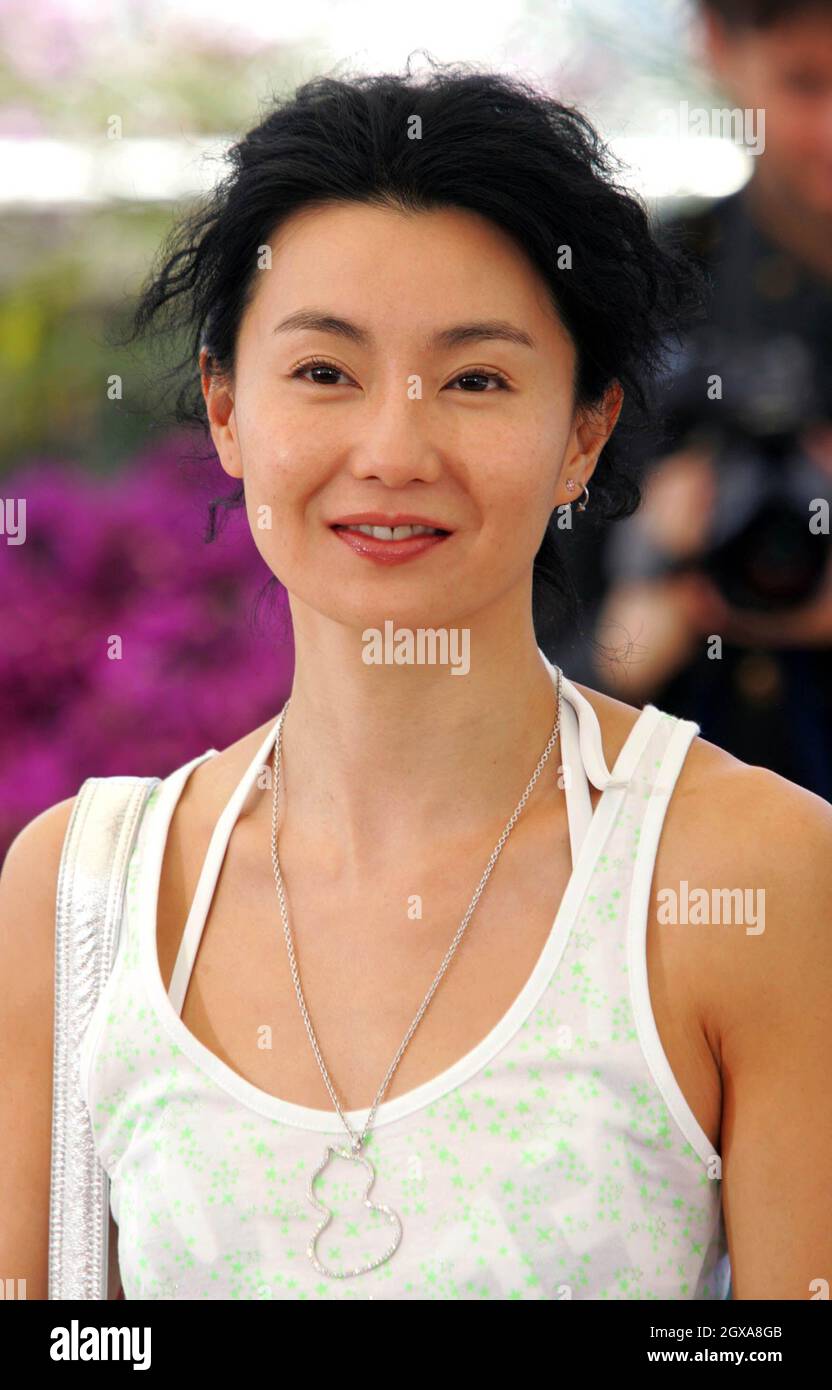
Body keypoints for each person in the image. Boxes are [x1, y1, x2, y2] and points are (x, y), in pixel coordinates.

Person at [2, 59, 831, 1301]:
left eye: (477, 379)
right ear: (227, 409)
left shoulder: (750, 870)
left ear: (586, 431)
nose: (393, 451)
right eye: (325, 372)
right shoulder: (81, 894)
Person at [594, 0, 832, 797]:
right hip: (664, 823)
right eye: (805, 84)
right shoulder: (636, 293)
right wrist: (622, 638)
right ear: (718, 47)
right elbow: (518, 627)